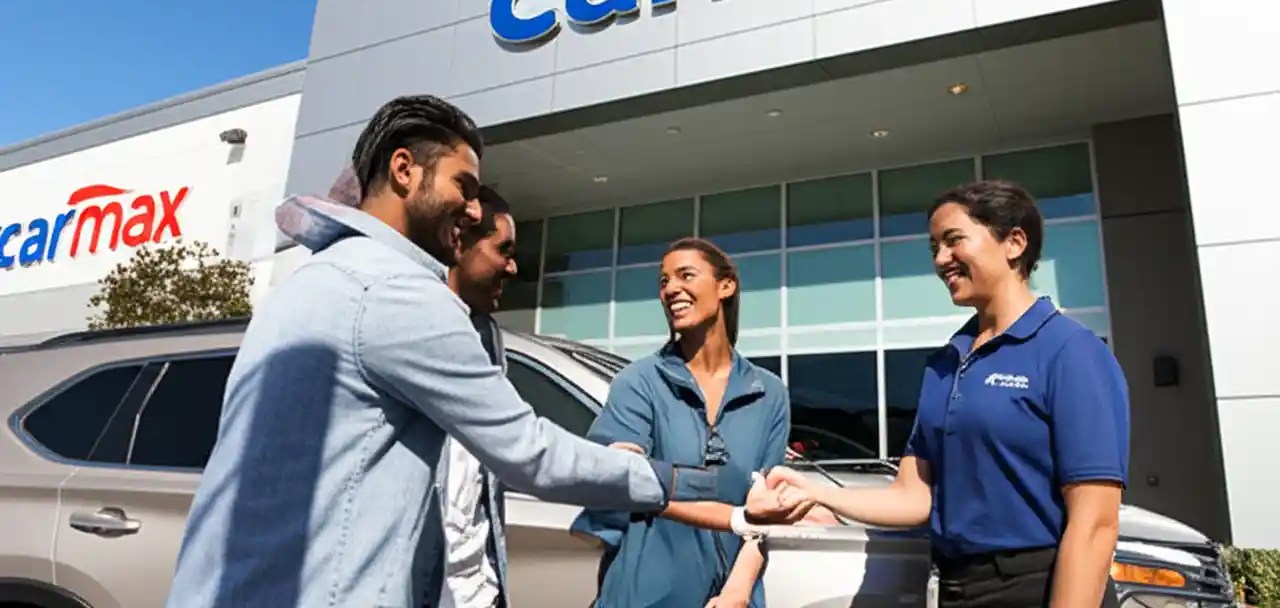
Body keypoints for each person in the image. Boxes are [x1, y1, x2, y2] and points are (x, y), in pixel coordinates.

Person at [166, 96, 800, 608]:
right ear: (404, 169)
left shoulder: (319, 280)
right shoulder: (395, 292)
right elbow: (530, 453)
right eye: (463, 186)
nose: (472, 209)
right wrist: (697, 479)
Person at [766, 180, 1130, 608]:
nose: (941, 260)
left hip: (1042, 585)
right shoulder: (945, 364)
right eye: (934, 247)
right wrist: (816, 492)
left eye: (954, 240)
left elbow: (1095, 524)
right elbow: (913, 497)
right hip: (955, 587)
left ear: (1014, 242)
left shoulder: (1071, 351)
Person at [570, 237, 800, 608]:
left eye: (685, 275)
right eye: (664, 281)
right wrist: (735, 515)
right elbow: (617, 481)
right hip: (641, 596)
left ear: (725, 286)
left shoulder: (768, 393)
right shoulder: (639, 382)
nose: (671, 289)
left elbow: (767, 513)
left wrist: (737, 593)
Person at [440, 184, 519, 608]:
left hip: (480, 593)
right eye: (503, 250)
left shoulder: (488, 337)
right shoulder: (404, 330)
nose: (513, 268)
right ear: (460, 244)